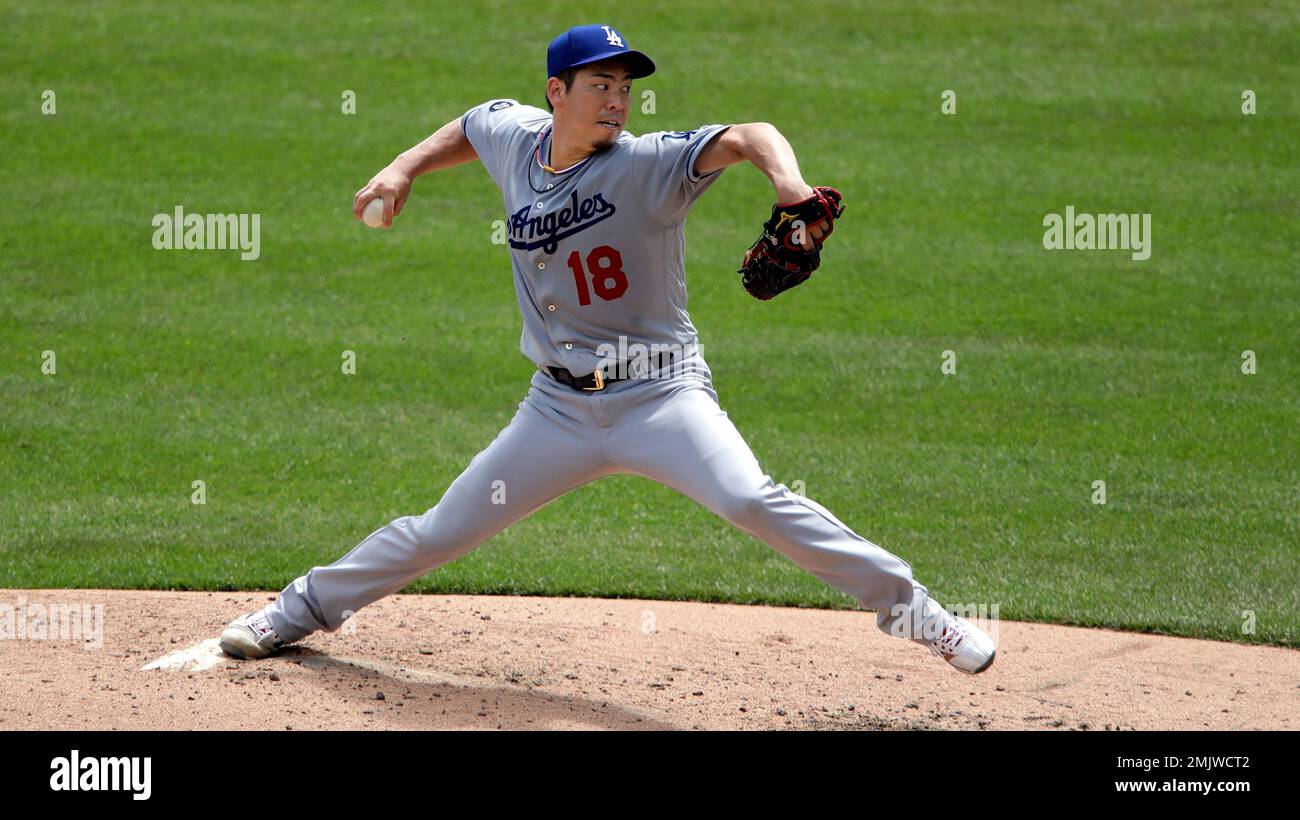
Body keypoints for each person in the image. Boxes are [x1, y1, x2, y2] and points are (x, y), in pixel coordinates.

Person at [219, 24, 995, 675]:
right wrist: (401, 167)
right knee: (441, 531)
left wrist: (790, 187)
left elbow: (750, 135)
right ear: (556, 91)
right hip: (556, 409)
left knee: (750, 498)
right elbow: (471, 124)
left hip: (662, 398)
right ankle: (297, 611)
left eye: (625, 87)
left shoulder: (649, 164)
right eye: (601, 86)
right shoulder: (515, 136)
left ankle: (920, 615)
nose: (618, 101)